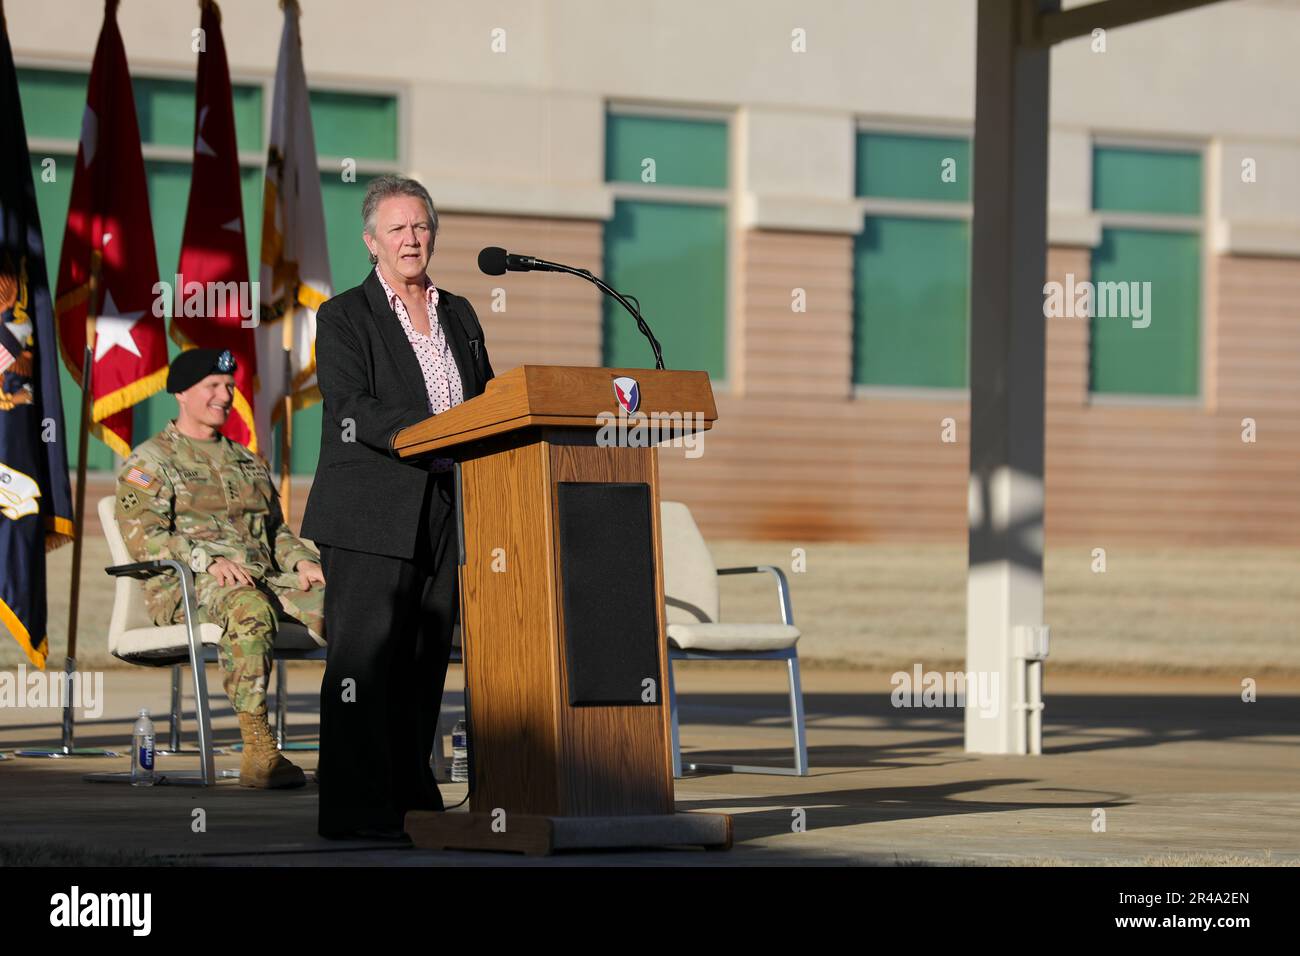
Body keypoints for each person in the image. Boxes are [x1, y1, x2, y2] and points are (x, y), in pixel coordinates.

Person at [302, 176, 494, 840]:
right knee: (364, 663)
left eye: (421, 227)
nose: (411, 240)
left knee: (423, 660)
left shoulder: (460, 312)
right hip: (369, 510)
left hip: (445, 508)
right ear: (371, 241)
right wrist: (440, 432)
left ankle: (410, 798)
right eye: (397, 229)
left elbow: (487, 398)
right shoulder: (343, 316)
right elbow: (352, 406)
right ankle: (357, 810)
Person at [115, 348, 325, 788]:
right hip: (189, 585)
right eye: (212, 386)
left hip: (264, 577)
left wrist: (302, 560)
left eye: (229, 387)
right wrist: (206, 560)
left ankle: (359, 740)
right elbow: (144, 537)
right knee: (249, 607)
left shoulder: (247, 460)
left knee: (354, 604)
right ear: (181, 393)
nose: (224, 396)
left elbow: (275, 530)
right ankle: (259, 750)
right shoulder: (149, 461)